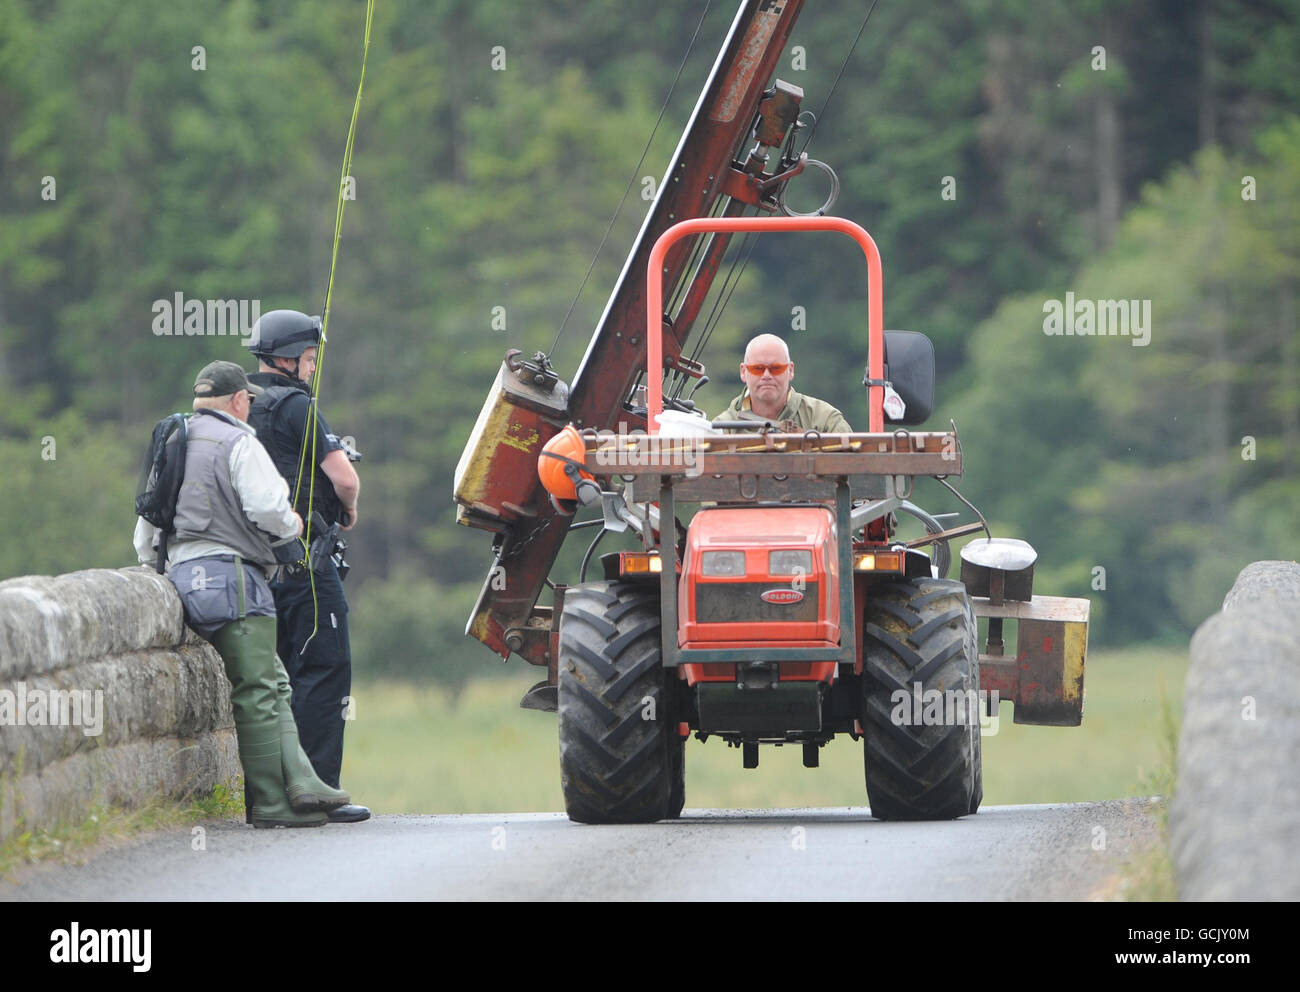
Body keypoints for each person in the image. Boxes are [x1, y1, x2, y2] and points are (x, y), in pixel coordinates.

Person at [133, 361, 350, 828]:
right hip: (232, 579)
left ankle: (304, 784)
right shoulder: (238, 441)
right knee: (258, 690)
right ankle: (272, 803)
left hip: (183, 576)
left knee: (273, 681)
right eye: (248, 399)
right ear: (238, 401)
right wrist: (294, 524)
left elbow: (145, 530)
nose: (250, 406)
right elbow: (268, 508)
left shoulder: (174, 438)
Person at [245, 309, 369, 824]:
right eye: (310, 358)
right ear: (288, 359)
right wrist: (351, 507)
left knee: (276, 678)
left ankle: (269, 794)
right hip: (308, 568)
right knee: (323, 671)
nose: (313, 368)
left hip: (258, 569)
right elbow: (342, 477)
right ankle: (317, 789)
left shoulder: (243, 406)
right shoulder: (298, 406)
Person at [716, 333, 852, 432]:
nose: (767, 375)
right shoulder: (721, 428)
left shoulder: (824, 419)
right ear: (743, 372)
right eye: (757, 369)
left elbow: (853, 463)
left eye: (776, 368)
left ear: (790, 370)